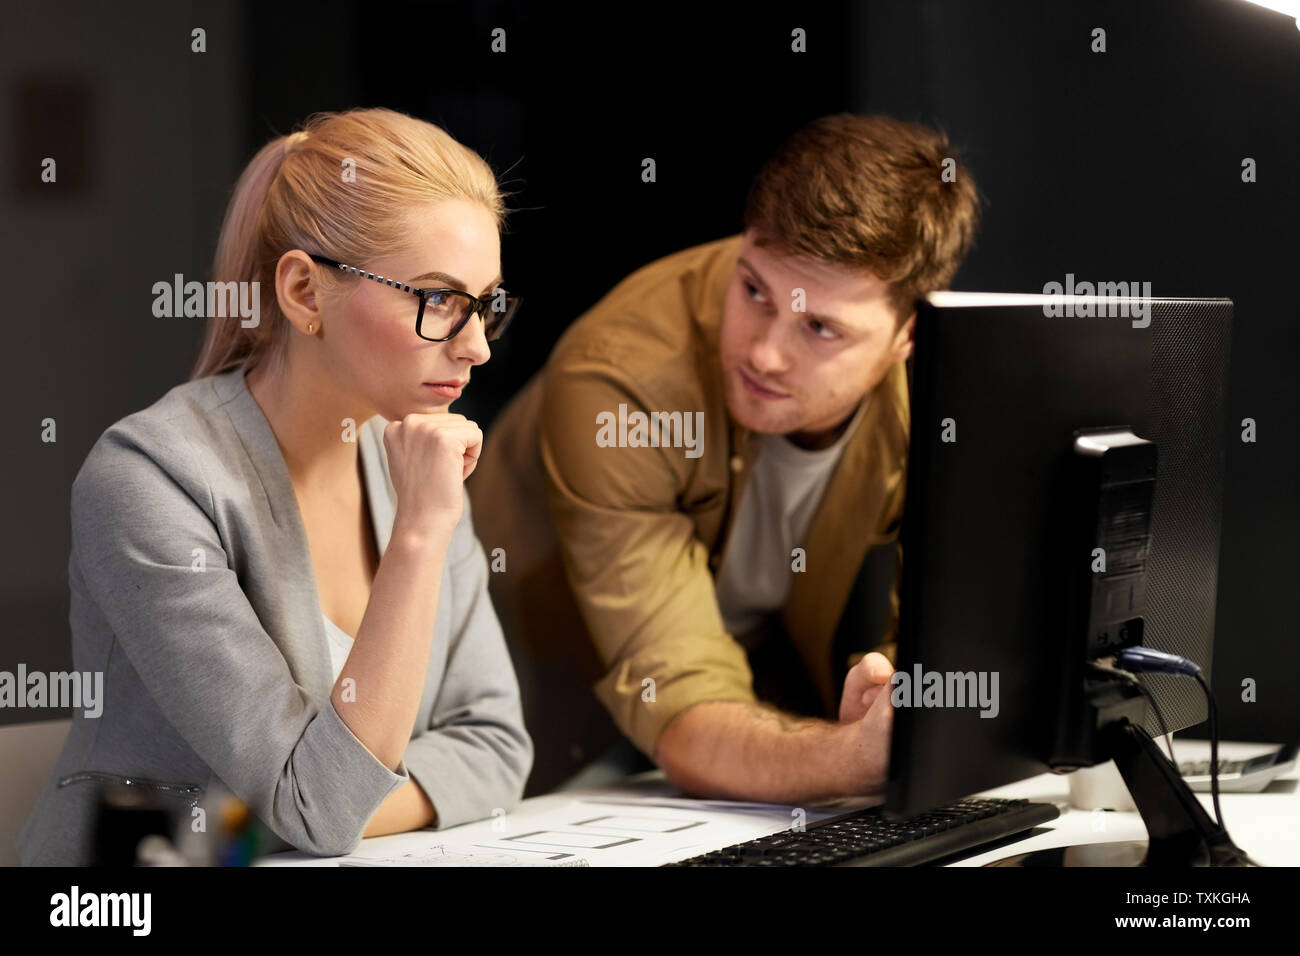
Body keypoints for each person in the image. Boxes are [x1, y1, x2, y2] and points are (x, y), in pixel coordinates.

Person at [18, 108, 532, 865]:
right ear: (302, 291)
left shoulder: (412, 452)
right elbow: (313, 808)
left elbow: (496, 751)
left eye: (485, 302)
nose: (477, 345)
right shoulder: (149, 479)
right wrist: (420, 535)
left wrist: (334, 805)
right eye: (437, 299)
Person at [471, 114, 981, 800]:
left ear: (907, 334)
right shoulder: (619, 380)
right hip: (546, 705)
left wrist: (897, 691)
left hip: (752, 699)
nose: (766, 353)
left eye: (821, 328)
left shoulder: (944, 389)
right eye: (753, 291)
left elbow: (944, 629)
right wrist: (864, 753)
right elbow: (679, 703)